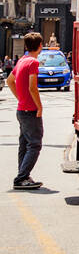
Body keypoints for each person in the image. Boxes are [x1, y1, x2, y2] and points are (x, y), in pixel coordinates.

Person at [7, 32, 44, 190]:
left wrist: (20, 98)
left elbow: (10, 81)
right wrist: (39, 106)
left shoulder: (22, 60)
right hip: (30, 110)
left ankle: (23, 175)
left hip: (21, 109)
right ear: (40, 46)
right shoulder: (33, 63)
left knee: (24, 144)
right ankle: (22, 178)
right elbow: (32, 87)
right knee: (35, 144)